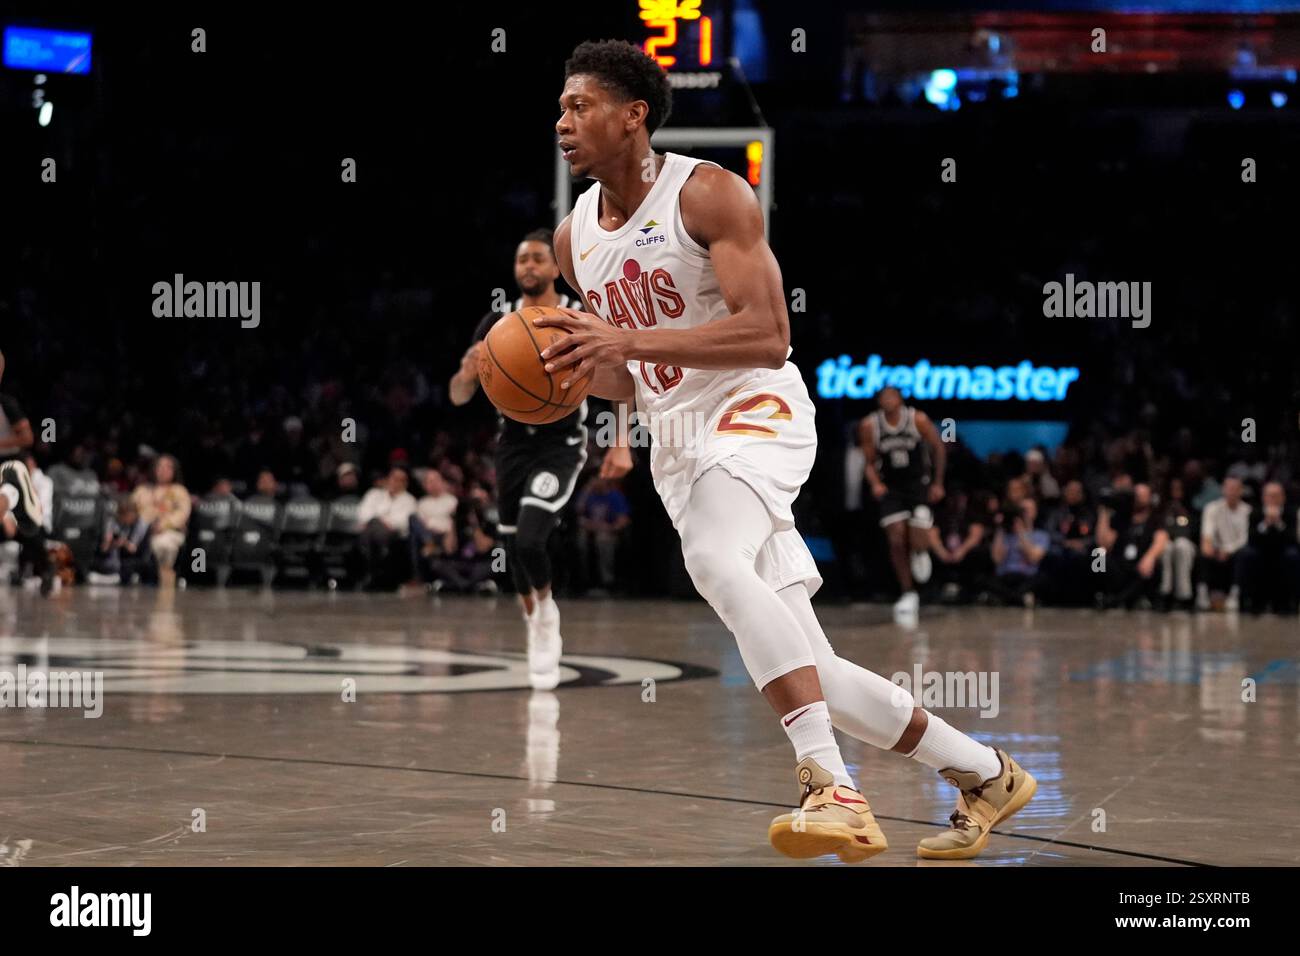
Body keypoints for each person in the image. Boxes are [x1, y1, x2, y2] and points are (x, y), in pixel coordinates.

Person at [539, 39, 1035, 862]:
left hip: (755, 410)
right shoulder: (572, 239)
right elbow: (636, 375)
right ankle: (987, 773)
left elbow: (768, 336)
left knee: (710, 556)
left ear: (633, 117)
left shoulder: (709, 194)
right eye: (560, 107)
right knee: (817, 671)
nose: (562, 120)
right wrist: (562, 376)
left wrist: (621, 337)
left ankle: (830, 786)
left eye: (578, 105)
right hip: (681, 445)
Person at [449, 228, 631, 688]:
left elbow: (620, 376)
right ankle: (533, 623)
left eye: (536, 259)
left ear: (555, 267)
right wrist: (468, 374)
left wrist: (621, 441)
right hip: (512, 445)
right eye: (521, 260)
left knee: (531, 539)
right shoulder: (496, 320)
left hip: (561, 444)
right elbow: (457, 397)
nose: (528, 267)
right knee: (512, 548)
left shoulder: (576, 315)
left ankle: (547, 616)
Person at [858, 386, 947, 620]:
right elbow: (868, 462)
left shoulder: (917, 419)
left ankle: (919, 551)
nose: (887, 400)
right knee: (896, 538)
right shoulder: (869, 425)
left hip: (918, 485)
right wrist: (875, 483)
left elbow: (938, 448)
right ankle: (908, 593)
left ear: (899, 399)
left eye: (891, 396)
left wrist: (938, 483)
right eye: (883, 396)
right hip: (892, 488)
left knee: (918, 534)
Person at [131, 454, 192, 588]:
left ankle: (165, 576)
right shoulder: (142, 490)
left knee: (162, 543)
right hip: (142, 534)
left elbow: (182, 514)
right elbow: (131, 510)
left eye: (168, 467)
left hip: (168, 532)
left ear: (174, 471)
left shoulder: (179, 491)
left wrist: (163, 524)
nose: (163, 470)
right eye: (160, 466)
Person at [1239, 482, 1299, 613]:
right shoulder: (1255, 512)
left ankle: (1290, 602)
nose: (1273, 499)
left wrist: (1278, 523)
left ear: (1283, 497)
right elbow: (1251, 537)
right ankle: (1249, 601)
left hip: (1283, 551)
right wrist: (1266, 523)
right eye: (1270, 496)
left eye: (1276, 496)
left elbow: (1293, 539)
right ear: (1263, 497)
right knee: (1247, 554)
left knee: (1293, 555)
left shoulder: (1291, 512)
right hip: (1260, 551)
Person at [356, 466, 417, 590]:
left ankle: (370, 572)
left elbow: (403, 522)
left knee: (372, 532)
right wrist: (381, 520)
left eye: (399, 479)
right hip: (374, 531)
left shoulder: (409, 500)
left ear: (405, 483)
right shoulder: (374, 494)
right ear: (388, 479)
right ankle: (373, 571)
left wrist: (381, 520)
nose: (395, 482)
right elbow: (363, 512)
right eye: (393, 478)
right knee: (372, 529)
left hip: (394, 535)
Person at [1197, 476, 1250, 611]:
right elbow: (1207, 532)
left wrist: (1227, 550)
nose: (1231, 492)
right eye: (1228, 488)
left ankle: (1234, 595)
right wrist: (1209, 546)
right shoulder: (1212, 508)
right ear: (1223, 490)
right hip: (1216, 550)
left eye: (1235, 489)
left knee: (1244, 554)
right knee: (1203, 552)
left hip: (1235, 550)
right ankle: (1202, 594)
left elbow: (1244, 538)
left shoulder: (1247, 510)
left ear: (1241, 491)